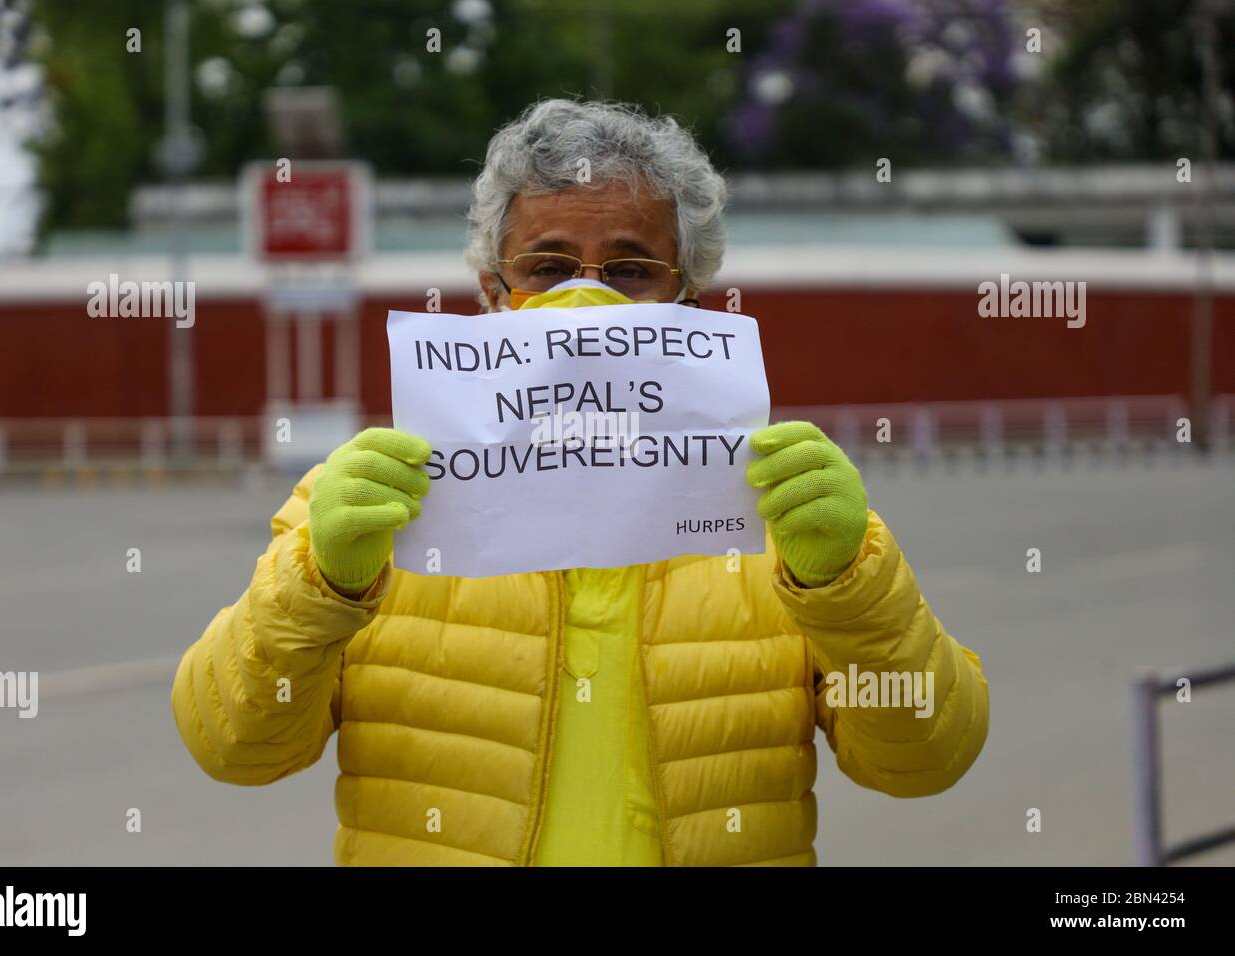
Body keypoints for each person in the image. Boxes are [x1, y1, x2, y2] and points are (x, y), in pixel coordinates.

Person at [171, 98, 989, 866]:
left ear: (689, 298)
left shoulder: (779, 510)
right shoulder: (374, 503)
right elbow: (233, 746)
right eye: (548, 265)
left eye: (631, 270)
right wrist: (319, 583)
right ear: (493, 291)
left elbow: (924, 761)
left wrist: (848, 585)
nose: (587, 297)